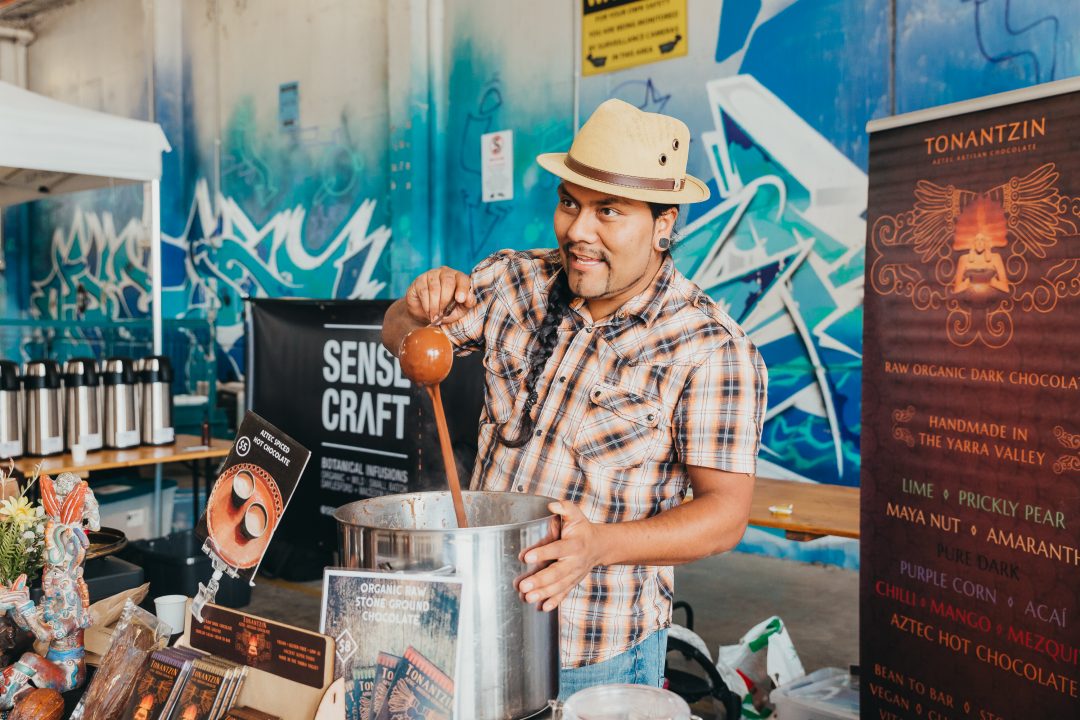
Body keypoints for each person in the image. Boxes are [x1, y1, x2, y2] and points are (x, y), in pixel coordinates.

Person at [382, 99, 767, 696]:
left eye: (608, 211)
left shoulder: (709, 348)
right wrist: (415, 307)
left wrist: (601, 545)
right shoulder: (513, 283)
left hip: (595, 653)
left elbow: (725, 516)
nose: (578, 232)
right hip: (474, 619)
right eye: (569, 203)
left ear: (665, 224)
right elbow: (401, 342)